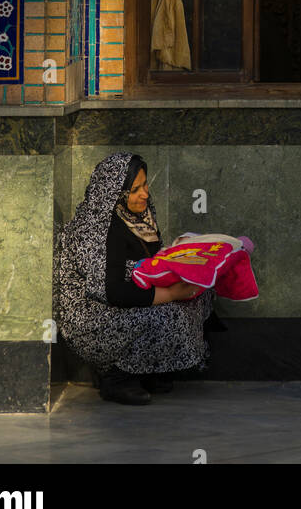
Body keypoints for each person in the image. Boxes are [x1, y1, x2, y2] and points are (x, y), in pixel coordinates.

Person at [55, 151, 216, 404]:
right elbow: (114, 292)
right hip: (95, 319)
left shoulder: (136, 218)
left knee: (201, 292)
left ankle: (148, 367)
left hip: (126, 302)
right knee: (171, 313)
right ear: (115, 194)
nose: (145, 194)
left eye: (145, 185)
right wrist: (172, 294)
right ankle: (116, 376)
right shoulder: (98, 229)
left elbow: (149, 265)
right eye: (135, 189)